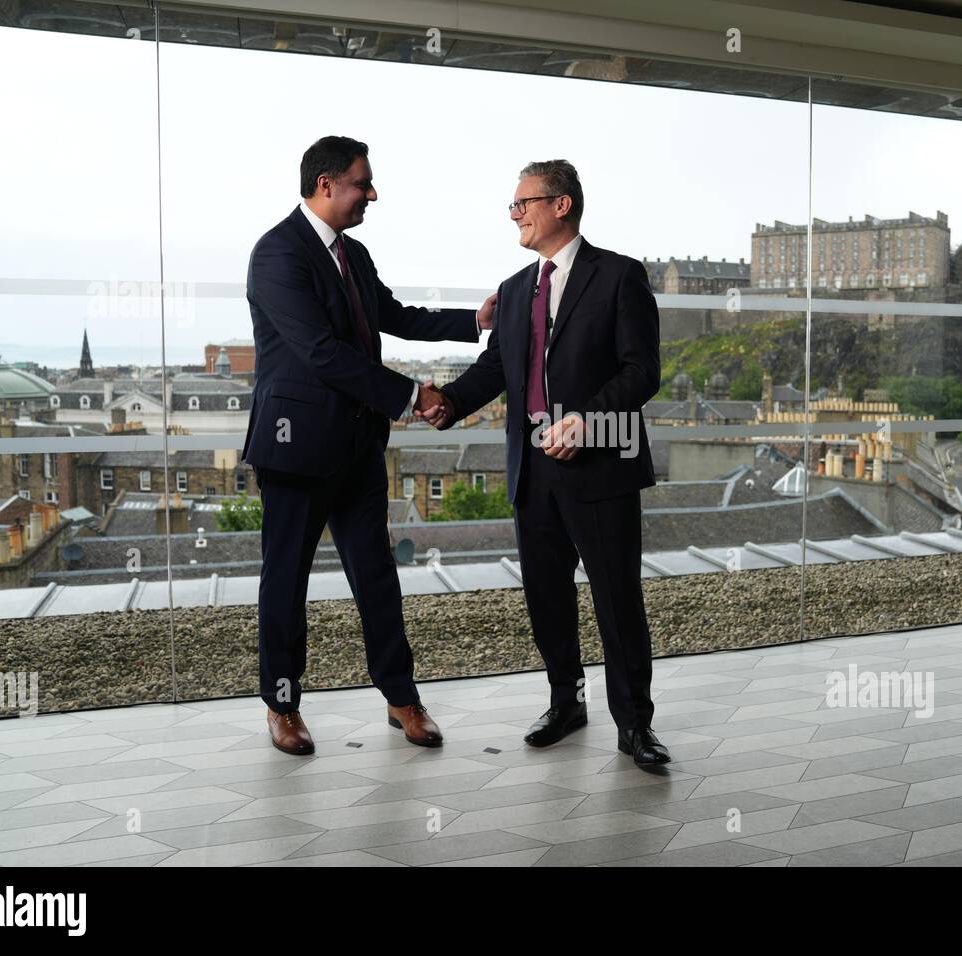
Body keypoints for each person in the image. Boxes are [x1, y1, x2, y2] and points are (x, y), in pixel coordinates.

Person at [242, 135, 495, 755]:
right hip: (295, 448)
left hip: (356, 446)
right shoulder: (276, 254)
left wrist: (476, 321)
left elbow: (397, 316)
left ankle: (401, 697)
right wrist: (415, 398)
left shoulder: (352, 254)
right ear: (327, 184)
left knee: (377, 576)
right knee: (286, 583)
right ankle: (282, 704)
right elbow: (322, 353)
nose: (372, 195)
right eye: (363, 183)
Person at [425, 160, 670, 766]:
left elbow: (642, 370)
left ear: (561, 205)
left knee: (617, 599)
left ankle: (635, 725)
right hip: (532, 471)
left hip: (602, 463)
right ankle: (567, 701)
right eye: (512, 206)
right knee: (547, 597)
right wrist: (448, 402)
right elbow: (496, 369)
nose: (515, 214)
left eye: (522, 203)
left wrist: (586, 420)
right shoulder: (513, 290)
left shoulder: (619, 276)